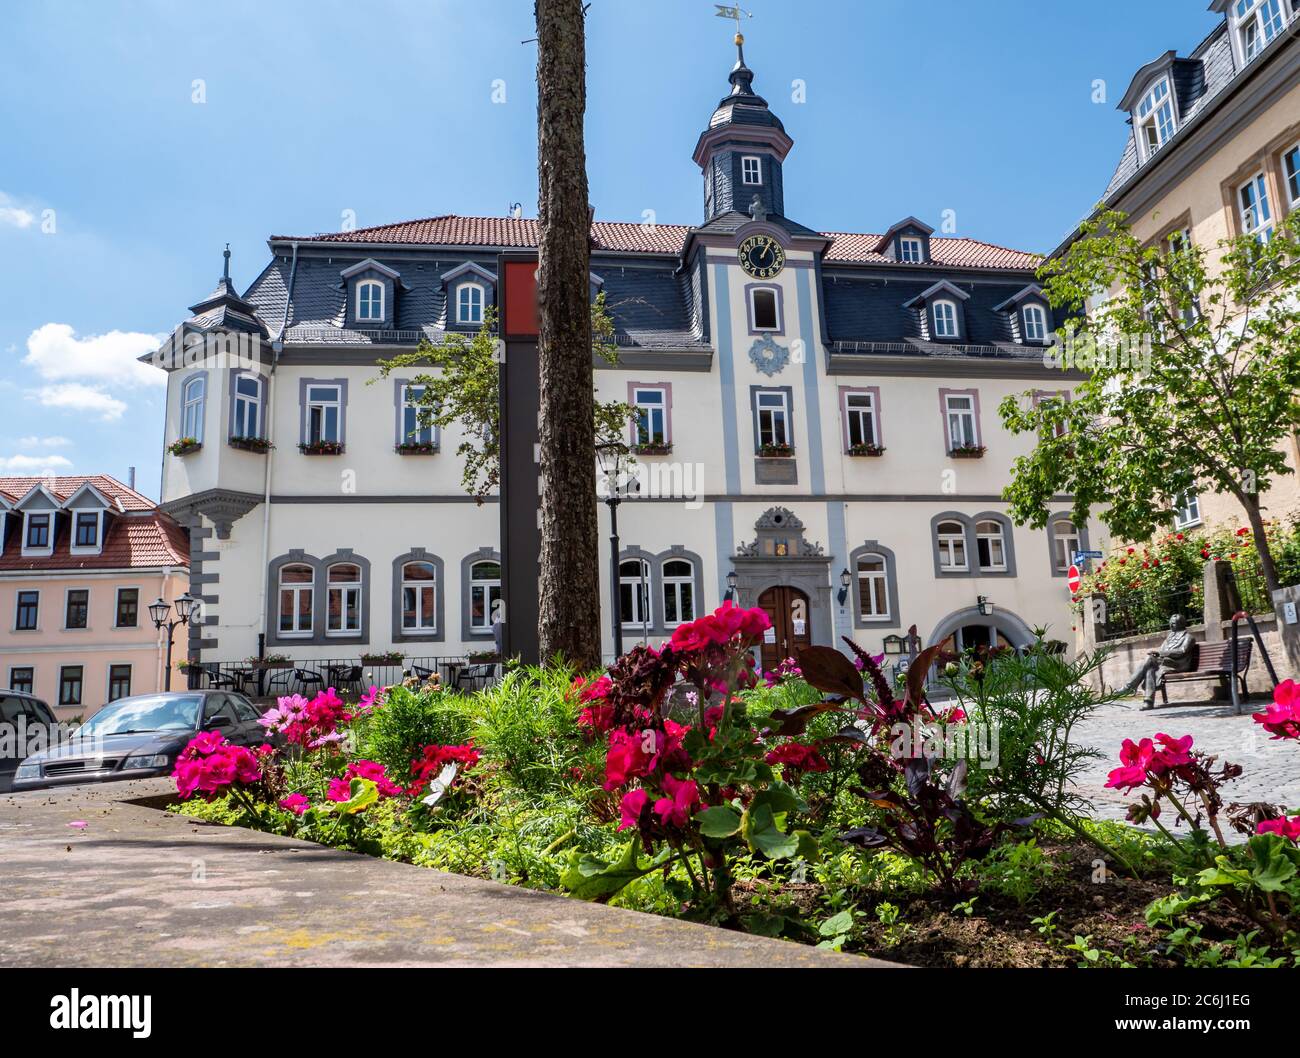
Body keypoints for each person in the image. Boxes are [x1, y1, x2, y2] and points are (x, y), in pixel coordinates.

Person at [1122, 614, 1196, 710]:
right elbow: (1161, 650)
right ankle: (1148, 702)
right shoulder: (1170, 637)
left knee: (1149, 660)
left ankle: (1129, 687)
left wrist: (1161, 653)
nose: (1171, 625)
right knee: (1150, 668)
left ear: (1181, 623)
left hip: (1178, 664)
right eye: (1171, 623)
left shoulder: (1189, 637)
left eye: (1174, 623)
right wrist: (1156, 654)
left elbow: (1181, 651)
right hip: (1165, 662)